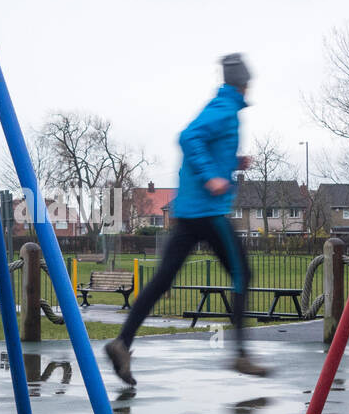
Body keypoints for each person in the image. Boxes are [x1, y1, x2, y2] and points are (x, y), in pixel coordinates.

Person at [104, 53, 271, 386]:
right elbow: (189, 138)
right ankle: (240, 354)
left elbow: (207, 145)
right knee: (242, 273)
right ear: (243, 82)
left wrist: (235, 162)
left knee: (162, 280)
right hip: (208, 212)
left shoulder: (221, 107)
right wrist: (212, 177)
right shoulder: (225, 111)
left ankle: (122, 343)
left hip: (189, 212)